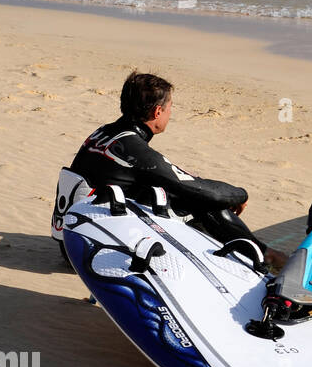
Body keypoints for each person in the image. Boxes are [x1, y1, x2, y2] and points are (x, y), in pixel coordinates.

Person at [68, 71, 287, 270]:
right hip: (94, 248)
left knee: (175, 195)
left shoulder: (104, 132)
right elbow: (199, 189)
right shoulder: (132, 149)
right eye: (170, 107)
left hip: (73, 235)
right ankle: (264, 255)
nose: (170, 113)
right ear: (157, 111)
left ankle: (250, 254)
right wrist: (240, 194)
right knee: (204, 202)